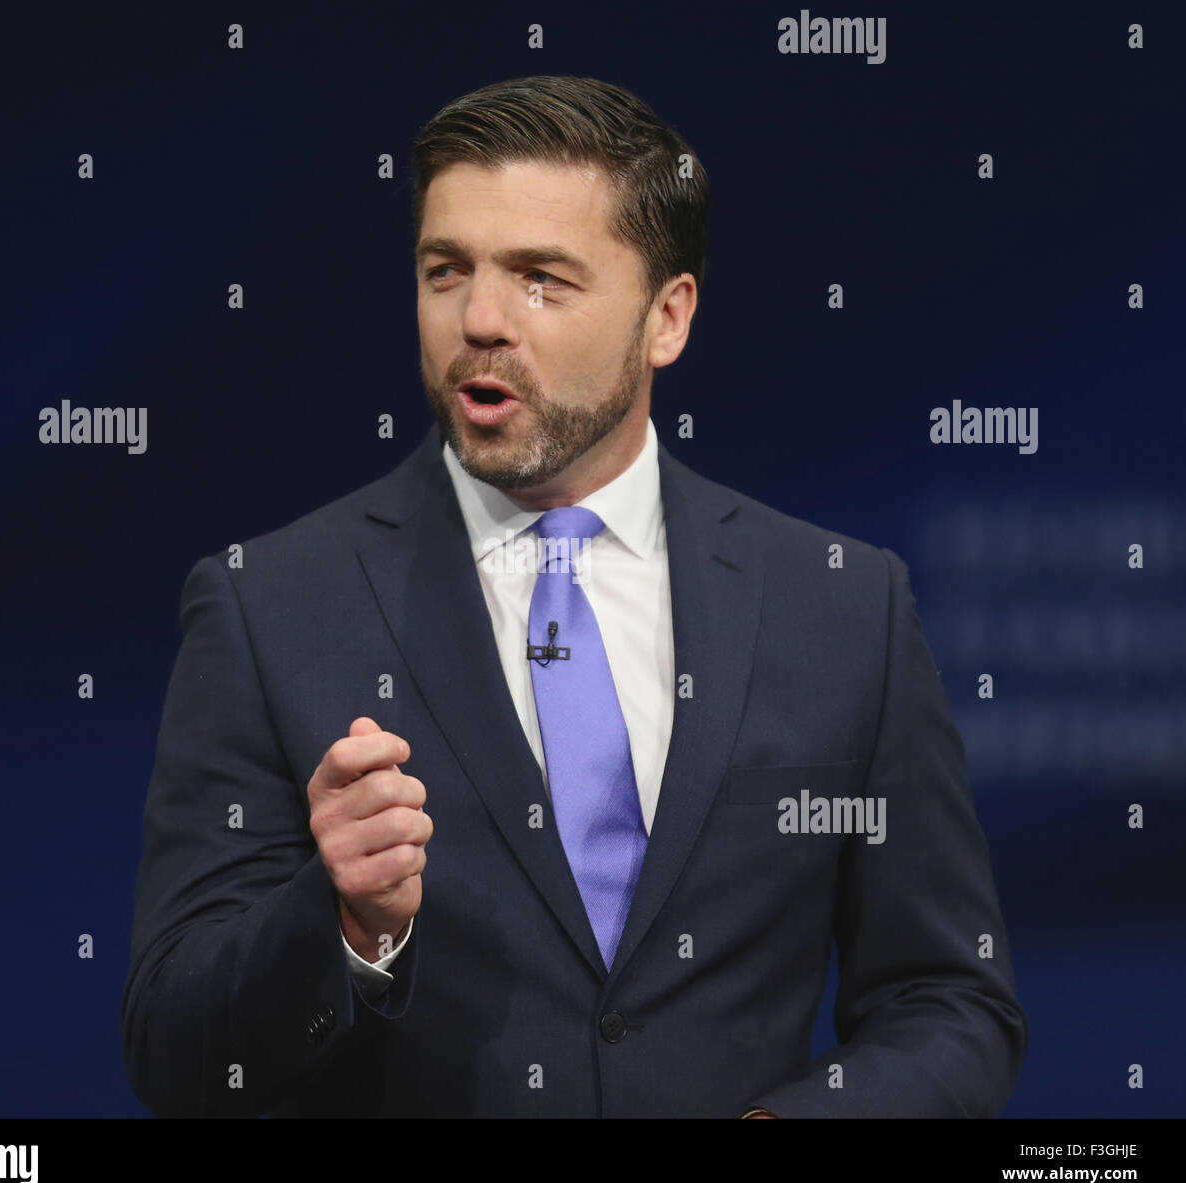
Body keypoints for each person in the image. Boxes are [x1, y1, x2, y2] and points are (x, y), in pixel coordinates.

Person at [121, 75, 1027, 1118]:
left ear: (666, 318)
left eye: (541, 278)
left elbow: (951, 1000)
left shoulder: (841, 606)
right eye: (444, 269)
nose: (481, 318)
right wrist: (343, 926)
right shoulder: (267, 605)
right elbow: (173, 1054)